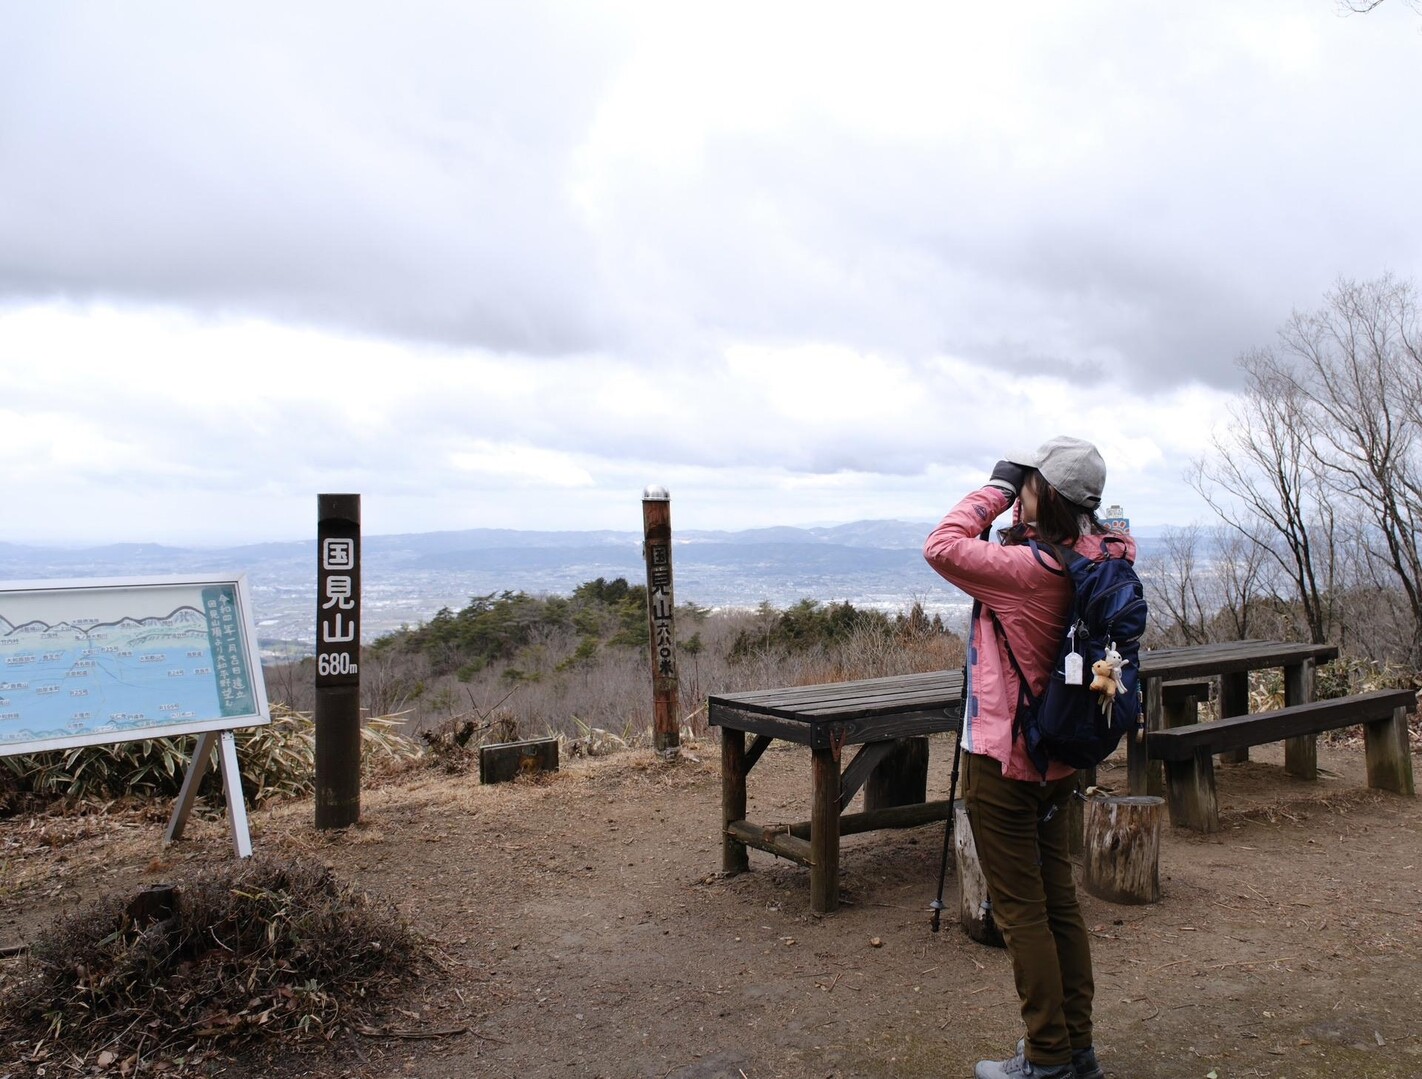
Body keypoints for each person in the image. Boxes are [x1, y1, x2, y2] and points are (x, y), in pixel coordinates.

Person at [923, 436, 1135, 1079]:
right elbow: (1064, 533)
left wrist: (997, 488)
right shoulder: (1104, 553)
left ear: (1044, 495)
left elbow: (941, 545)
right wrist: (1034, 502)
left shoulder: (1024, 575)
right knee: (1058, 901)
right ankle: (1077, 1047)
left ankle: (1046, 1059)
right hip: (1061, 758)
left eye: (1032, 482)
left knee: (1020, 912)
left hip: (1003, 761)